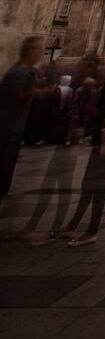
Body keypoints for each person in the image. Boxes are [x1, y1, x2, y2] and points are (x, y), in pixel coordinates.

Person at [0, 36, 43, 234]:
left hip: (14, 128)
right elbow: (18, 96)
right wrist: (38, 93)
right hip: (8, 127)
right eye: (38, 49)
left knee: (8, 161)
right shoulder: (18, 73)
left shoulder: (25, 72)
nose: (41, 53)